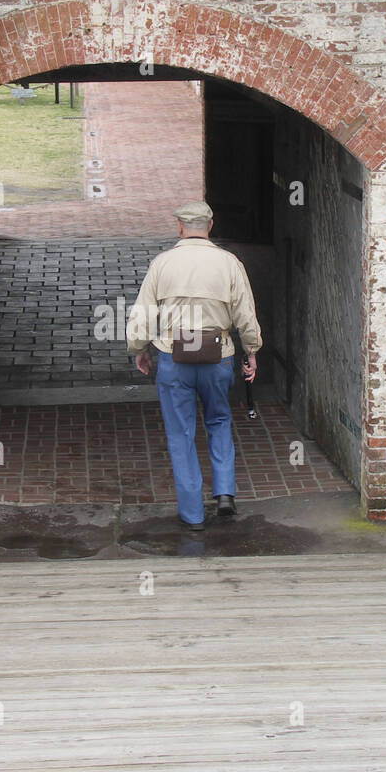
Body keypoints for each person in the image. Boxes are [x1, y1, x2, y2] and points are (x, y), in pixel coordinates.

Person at [126, 200, 262, 530]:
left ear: (179, 227)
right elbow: (245, 315)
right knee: (218, 418)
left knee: (180, 433)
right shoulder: (230, 263)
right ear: (210, 225)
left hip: (174, 357)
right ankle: (225, 493)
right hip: (218, 355)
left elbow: (144, 313)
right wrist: (252, 350)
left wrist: (138, 348)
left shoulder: (162, 264)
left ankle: (193, 514)